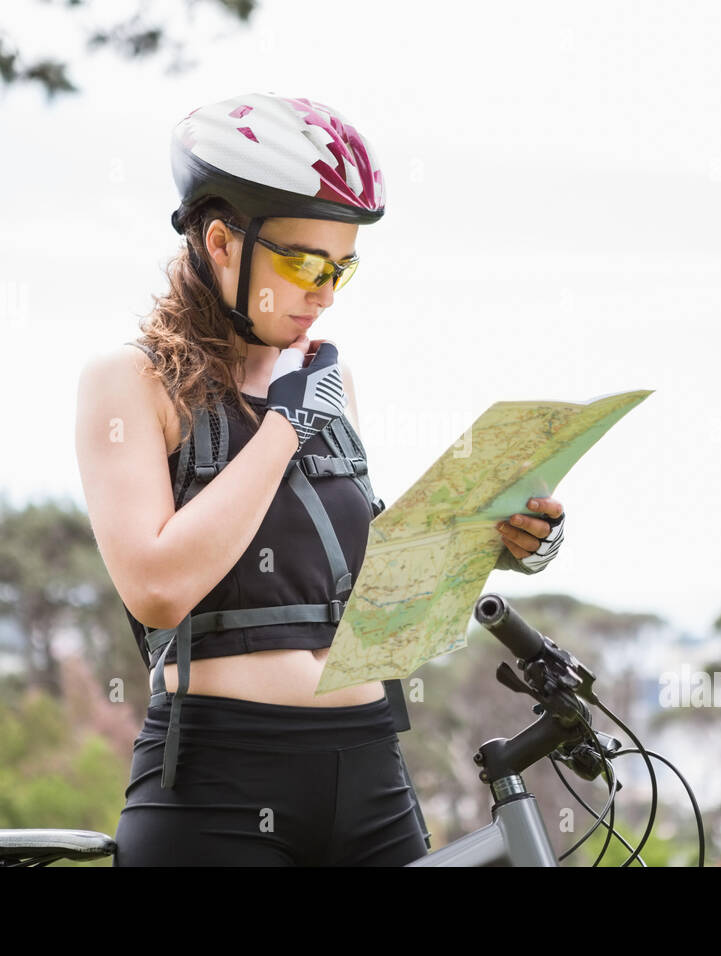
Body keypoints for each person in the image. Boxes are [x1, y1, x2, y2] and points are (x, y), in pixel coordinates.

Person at [74, 92, 567, 866]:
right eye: (305, 263)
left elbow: (367, 588)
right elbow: (157, 586)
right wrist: (285, 426)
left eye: (343, 268)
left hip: (370, 767)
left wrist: (494, 538)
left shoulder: (324, 386)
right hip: (216, 787)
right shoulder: (130, 384)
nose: (326, 293)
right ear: (221, 243)